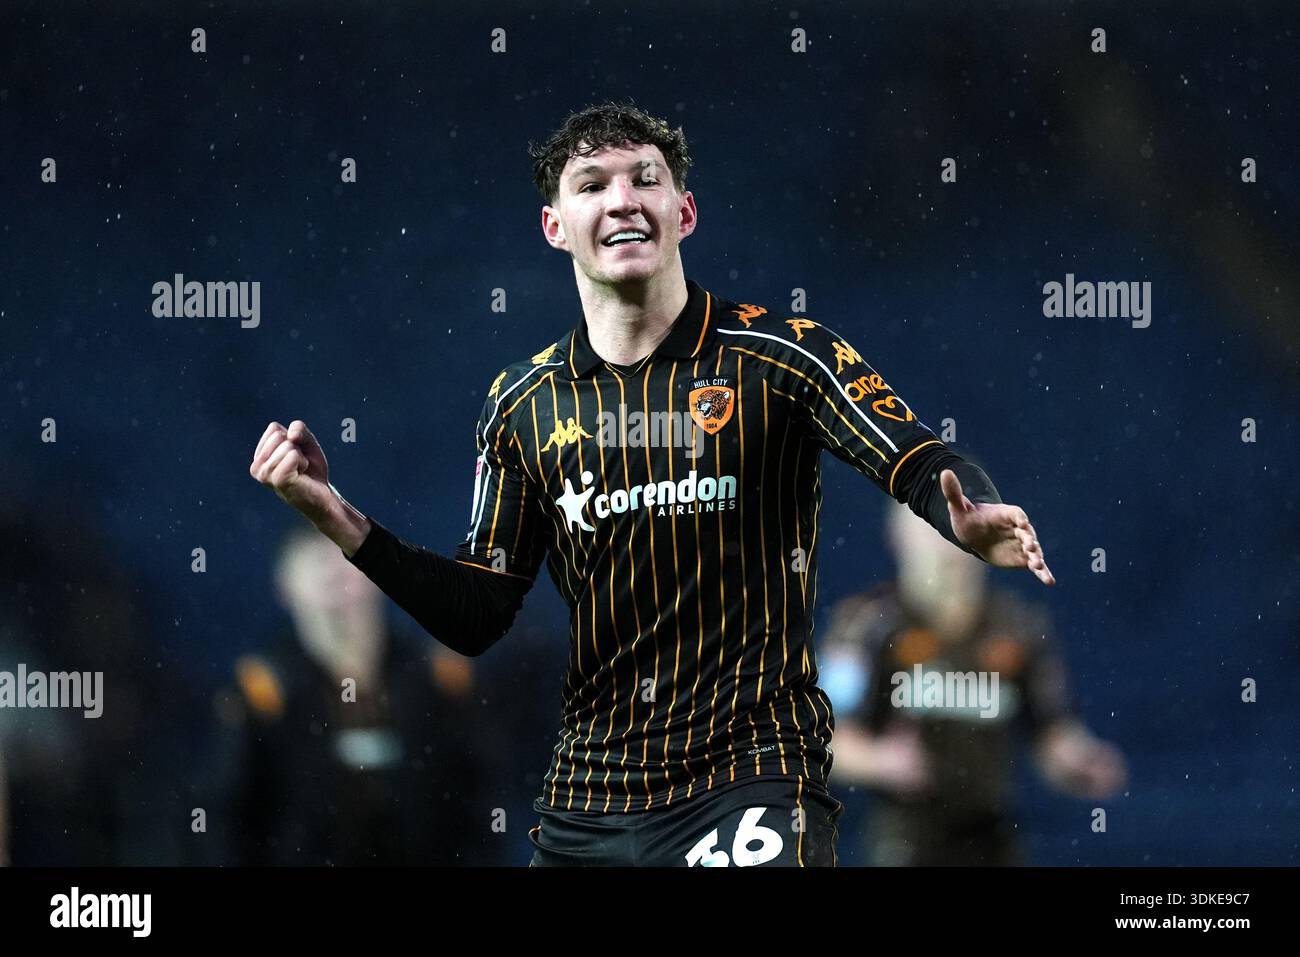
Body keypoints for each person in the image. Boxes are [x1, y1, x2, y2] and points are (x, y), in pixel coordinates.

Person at [249, 100, 1055, 867]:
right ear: (555, 227)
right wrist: (337, 517)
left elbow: (914, 456)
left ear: (684, 212)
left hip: (752, 782)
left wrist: (968, 512)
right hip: (592, 802)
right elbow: (478, 610)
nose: (623, 199)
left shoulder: (782, 356)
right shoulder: (522, 404)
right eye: (592, 185)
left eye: (645, 178)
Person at [822, 498, 1126, 865]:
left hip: (993, 840)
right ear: (898, 538)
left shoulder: (1017, 626)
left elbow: (1051, 734)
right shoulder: (868, 625)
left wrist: (1080, 763)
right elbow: (823, 737)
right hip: (903, 842)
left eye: (952, 528)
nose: (944, 544)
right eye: (928, 528)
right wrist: (879, 761)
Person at [216, 525, 490, 865]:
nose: (335, 575)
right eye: (317, 564)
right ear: (285, 587)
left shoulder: (440, 680)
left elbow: (480, 804)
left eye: (346, 558)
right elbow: (226, 816)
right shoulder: (262, 695)